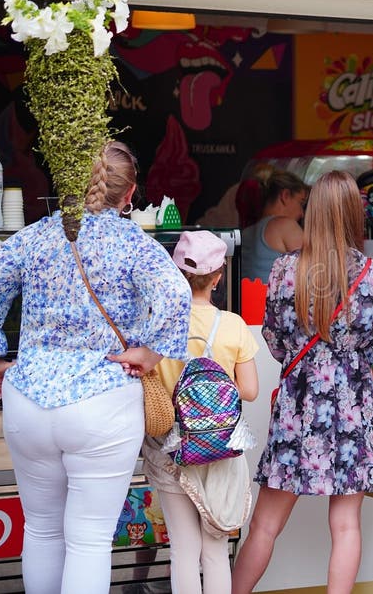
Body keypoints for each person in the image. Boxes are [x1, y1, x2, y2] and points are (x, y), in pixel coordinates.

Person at [0, 141, 191, 594]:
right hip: (103, 400)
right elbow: (176, 295)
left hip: (28, 399)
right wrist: (151, 353)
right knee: (89, 541)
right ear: (130, 194)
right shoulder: (133, 243)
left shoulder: (32, 237)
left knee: (42, 532)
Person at [231, 170, 373, 594]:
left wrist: (307, 366)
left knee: (266, 524)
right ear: (352, 215)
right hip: (356, 406)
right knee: (346, 526)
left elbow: (272, 336)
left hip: (299, 406)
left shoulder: (286, 269)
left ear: (316, 213)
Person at [141, 230, 260, 594]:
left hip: (170, 446)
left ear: (175, 272)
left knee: (184, 550)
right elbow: (250, 391)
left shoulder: (155, 323)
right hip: (221, 449)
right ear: (219, 276)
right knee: (215, 551)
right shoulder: (234, 325)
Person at [239, 165, 309, 283]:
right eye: (300, 203)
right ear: (285, 195)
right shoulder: (285, 226)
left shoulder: (245, 233)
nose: (302, 214)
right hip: (272, 300)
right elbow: (313, 272)